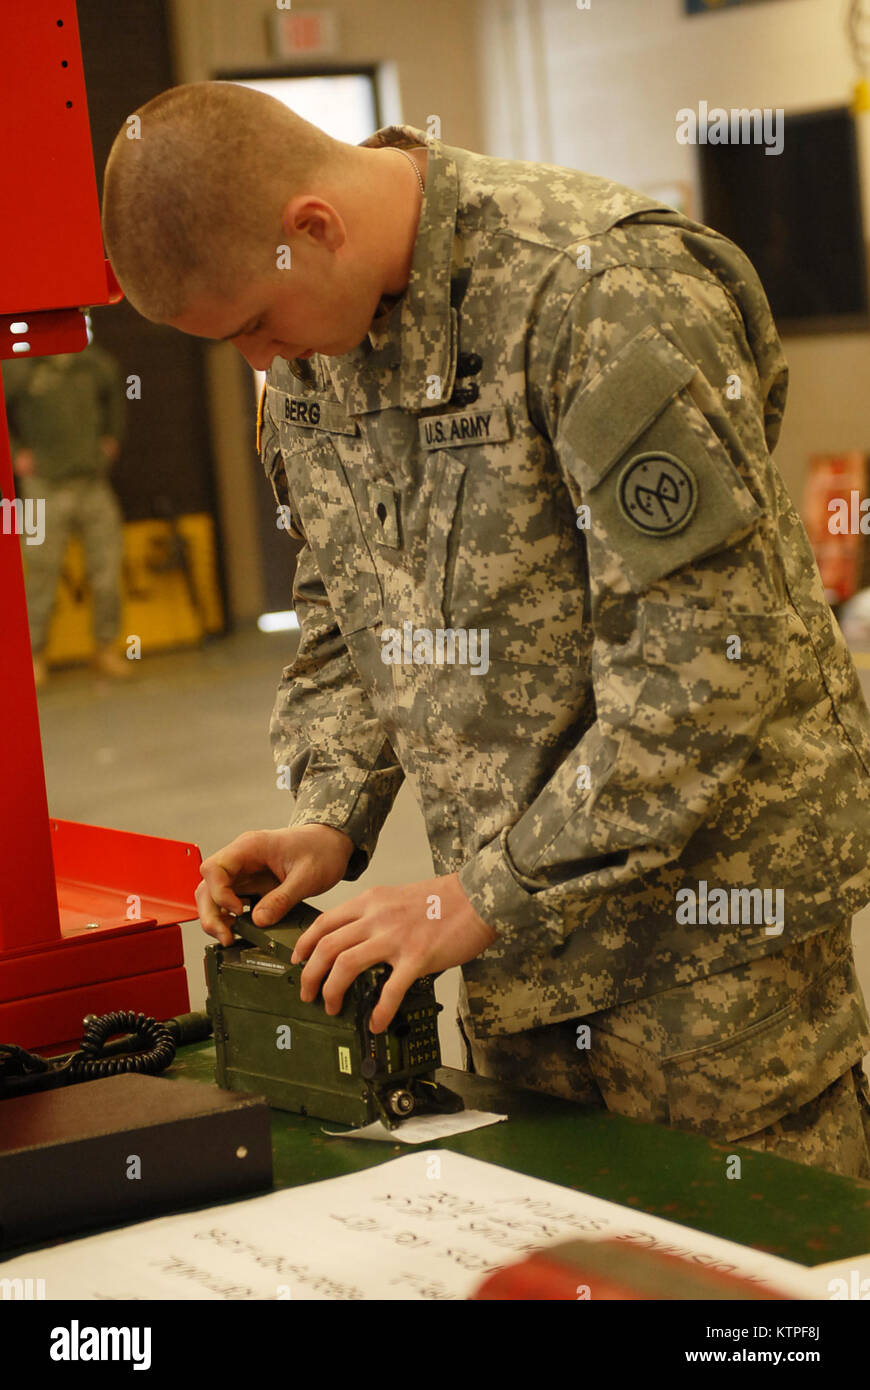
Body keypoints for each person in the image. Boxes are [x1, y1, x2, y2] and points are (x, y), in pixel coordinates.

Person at [101, 81, 870, 1178]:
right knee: (562, 1256)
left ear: (311, 229)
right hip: (512, 946)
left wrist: (480, 895)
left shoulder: (596, 291)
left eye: (255, 326)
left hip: (710, 940)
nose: (259, 364)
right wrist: (331, 812)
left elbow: (707, 672)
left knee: (756, 1296)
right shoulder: (312, 356)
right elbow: (345, 610)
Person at [2, 328, 130, 687]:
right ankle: (34, 656)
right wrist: (14, 455)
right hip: (41, 487)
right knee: (39, 575)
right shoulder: (20, 365)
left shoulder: (91, 361)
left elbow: (116, 397)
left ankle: (106, 648)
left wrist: (111, 438)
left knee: (107, 571)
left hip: (92, 483)